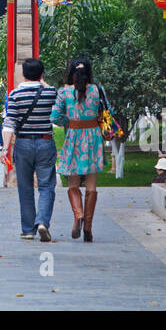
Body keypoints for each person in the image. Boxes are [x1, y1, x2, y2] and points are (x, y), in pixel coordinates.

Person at [1, 57, 58, 241]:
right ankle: (42, 221)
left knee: (25, 187)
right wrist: (43, 82)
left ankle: (27, 229)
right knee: (46, 185)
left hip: (23, 144)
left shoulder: (15, 95)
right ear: (41, 74)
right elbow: (58, 112)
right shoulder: (50, 92)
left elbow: (10, 123)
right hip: (45, 142)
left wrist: (4, 149)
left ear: (23, 74)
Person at [51, 57, 104, 242]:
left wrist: (70, 122)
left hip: (74, 137)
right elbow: (105, 112)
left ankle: (78, 216)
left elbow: (55, 117)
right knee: (91, 185)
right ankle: (88, 227)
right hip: (93, 138)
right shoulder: (97, 90)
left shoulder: (64, 92)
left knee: (73, 183)